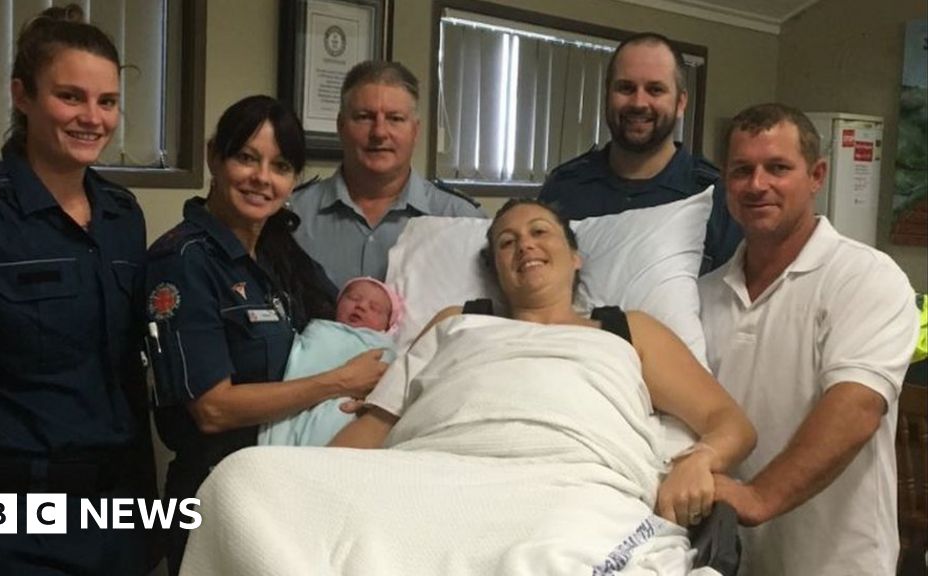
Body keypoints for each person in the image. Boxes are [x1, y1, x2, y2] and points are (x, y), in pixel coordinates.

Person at [0, 5, 157, 575]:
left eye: (107, 101)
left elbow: (125, 379)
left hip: (111, 514)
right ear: (23, 96)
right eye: (70, 97)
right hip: (0, 518)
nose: (92, 117)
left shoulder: (123, 216)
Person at [332, 197, 756, 528]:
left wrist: (698, 461)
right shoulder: (456, 322)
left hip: (575, 495)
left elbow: (730, 423)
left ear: (575, 257)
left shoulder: (627, 330)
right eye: (507, 242)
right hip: (434, 481)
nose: (525, 245)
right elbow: (377, 425)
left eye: (540, 232)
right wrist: (312, 483)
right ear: (496, 267)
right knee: (265, 480)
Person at [144, 95, 389, 574]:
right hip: (216, 492)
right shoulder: (184, 262)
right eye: (246, 158)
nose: (262, 178)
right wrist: (340, 382)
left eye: (280, 166)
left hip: (289, 487)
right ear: (215, 156)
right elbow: (213, 409)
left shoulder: (278, 257)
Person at [699, 103, 920, 575]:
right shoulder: (702, 295)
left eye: (778, 167)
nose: (757, 185)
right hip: (722, 561)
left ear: (816, 175)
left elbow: (855, 409)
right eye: (742, 170)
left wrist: (757, 496)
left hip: (836, 563)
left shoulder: (865, 278)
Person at [538, 32, 741, 274]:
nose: (638, 103)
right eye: (626, 88)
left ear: (680, 103)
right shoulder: (563, 187)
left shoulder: (718, 196)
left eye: (655, 90)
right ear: (607, 95)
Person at [290, 60, 486, 288]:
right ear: (341, 126)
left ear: (415, 130)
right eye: (364, 117)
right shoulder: (293, 216)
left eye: (395, 118)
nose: (379, 132)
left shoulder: (461, 219)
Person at [258, 277, 404, 447]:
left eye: (374, 308)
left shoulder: (382, 345)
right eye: (353, 298)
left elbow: (393, 381)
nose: (361, 306)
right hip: (297, 396)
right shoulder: (320, 330)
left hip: (344, 411)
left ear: (387, 326)